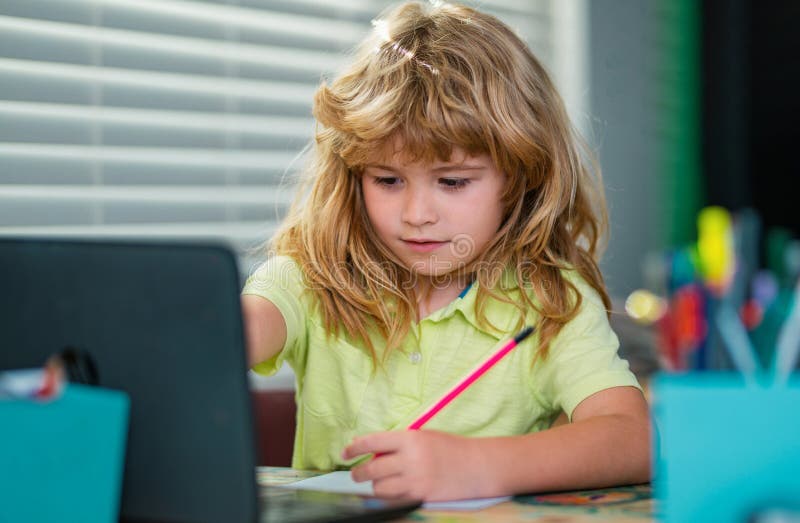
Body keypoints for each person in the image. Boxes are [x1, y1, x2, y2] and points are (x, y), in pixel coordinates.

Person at [242, 1, 651, 502]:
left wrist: (479, 465)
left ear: (521, 177)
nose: (417, 213)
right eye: (388, 180)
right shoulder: (306, 279)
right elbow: (226, 337)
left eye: (453, 181)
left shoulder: (551, 303)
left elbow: (634, 439)